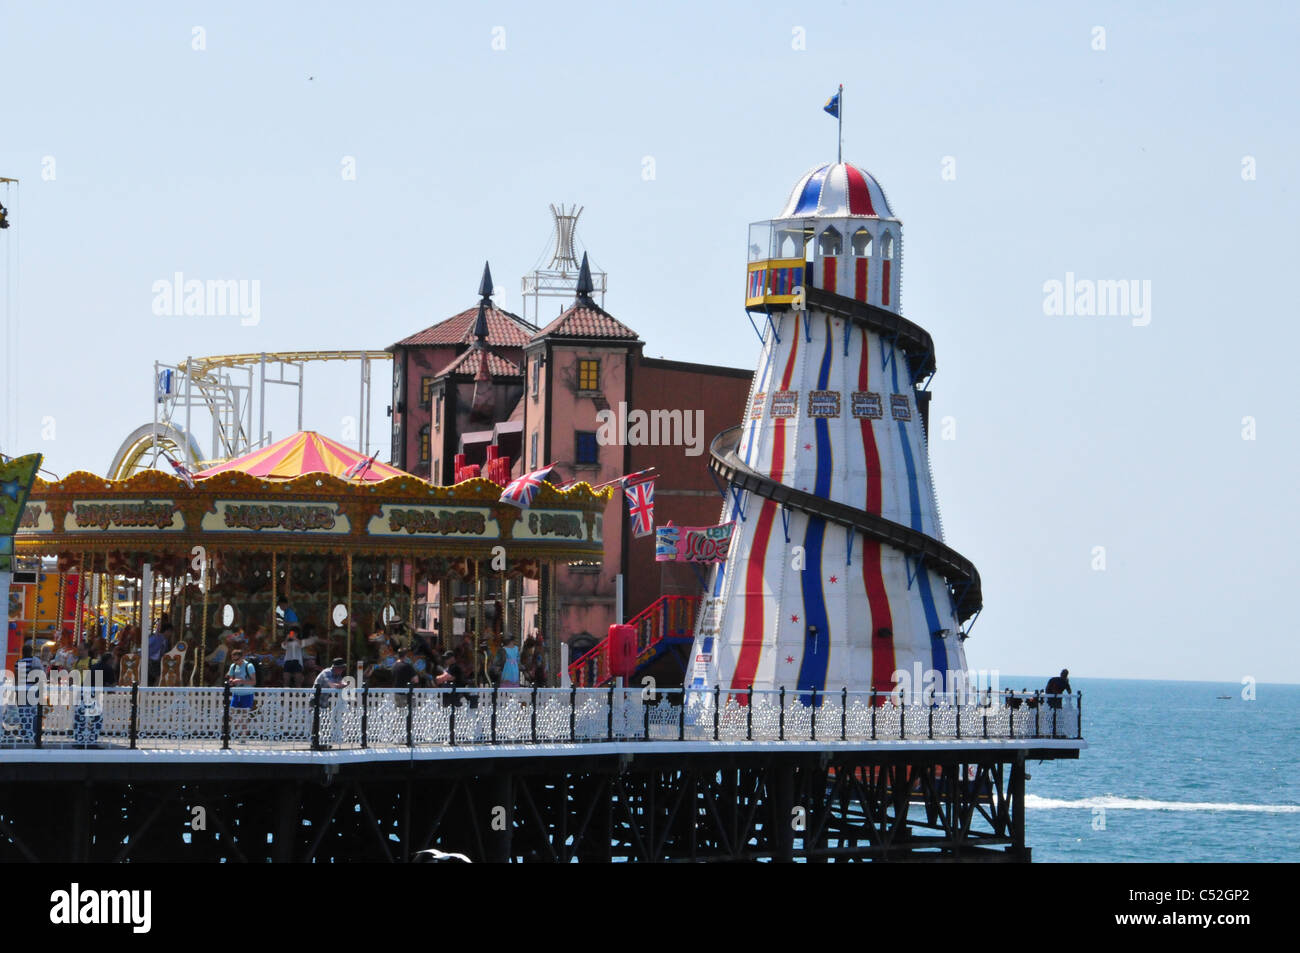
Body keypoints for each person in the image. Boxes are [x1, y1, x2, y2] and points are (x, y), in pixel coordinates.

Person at [225, 649, 258, 729]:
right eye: (233, 659)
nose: (235, 661)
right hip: (236, 694)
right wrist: (231, 681)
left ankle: (242, 737)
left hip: (247, 694)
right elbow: (230, 677)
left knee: (244, 716)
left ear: (242, 657)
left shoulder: (249, 666)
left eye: (237, 659)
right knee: (230, 713)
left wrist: (241, 681)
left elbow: (253, 682)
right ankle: (230, 731)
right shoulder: (233, 666)